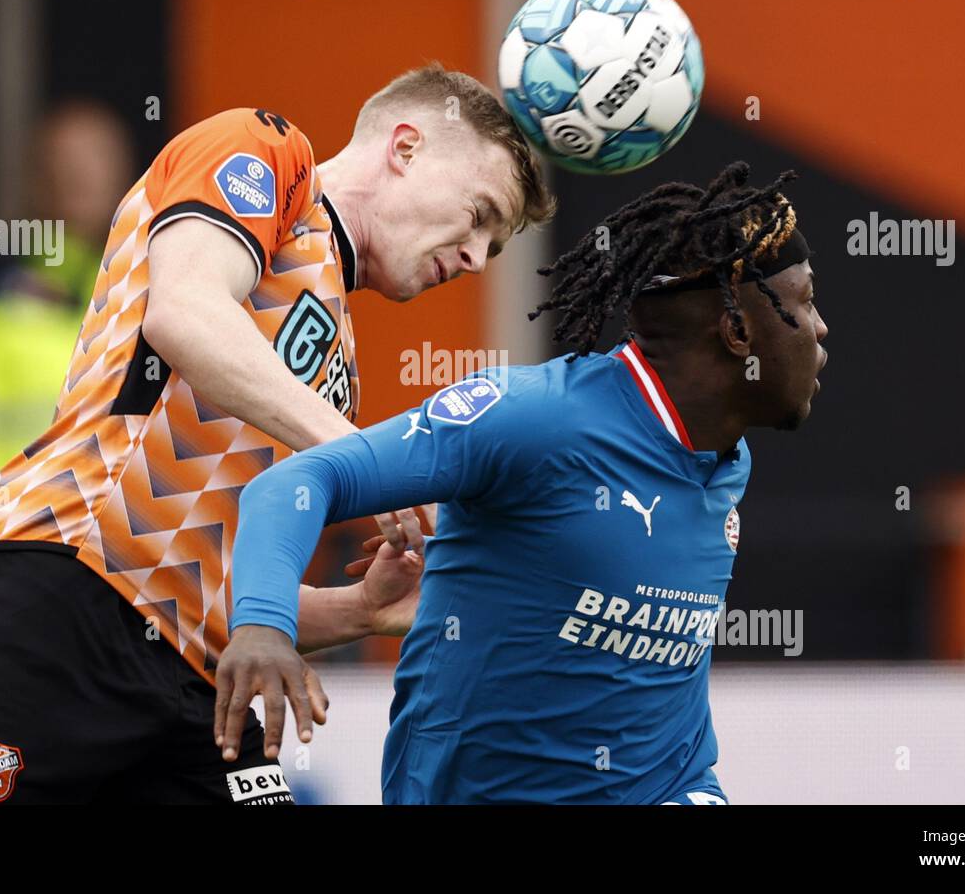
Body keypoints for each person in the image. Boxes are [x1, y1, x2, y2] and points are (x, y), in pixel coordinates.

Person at [0, 64, 553, 804]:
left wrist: (359, 609)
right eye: (482, 215)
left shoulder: (336, 371)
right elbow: (185, 312)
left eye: (496, 246)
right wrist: (361, 456)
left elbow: (211, 579)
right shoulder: (266, 149)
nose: (477, 258)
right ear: (406, 147)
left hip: (199, 678)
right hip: (57, 590)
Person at [221, 162, 829, 803]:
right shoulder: (534, 420)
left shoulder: (724, 459)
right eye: (807, 300)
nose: (821, 329)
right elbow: (295, 482)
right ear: (737, 332)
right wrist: (262, 625)